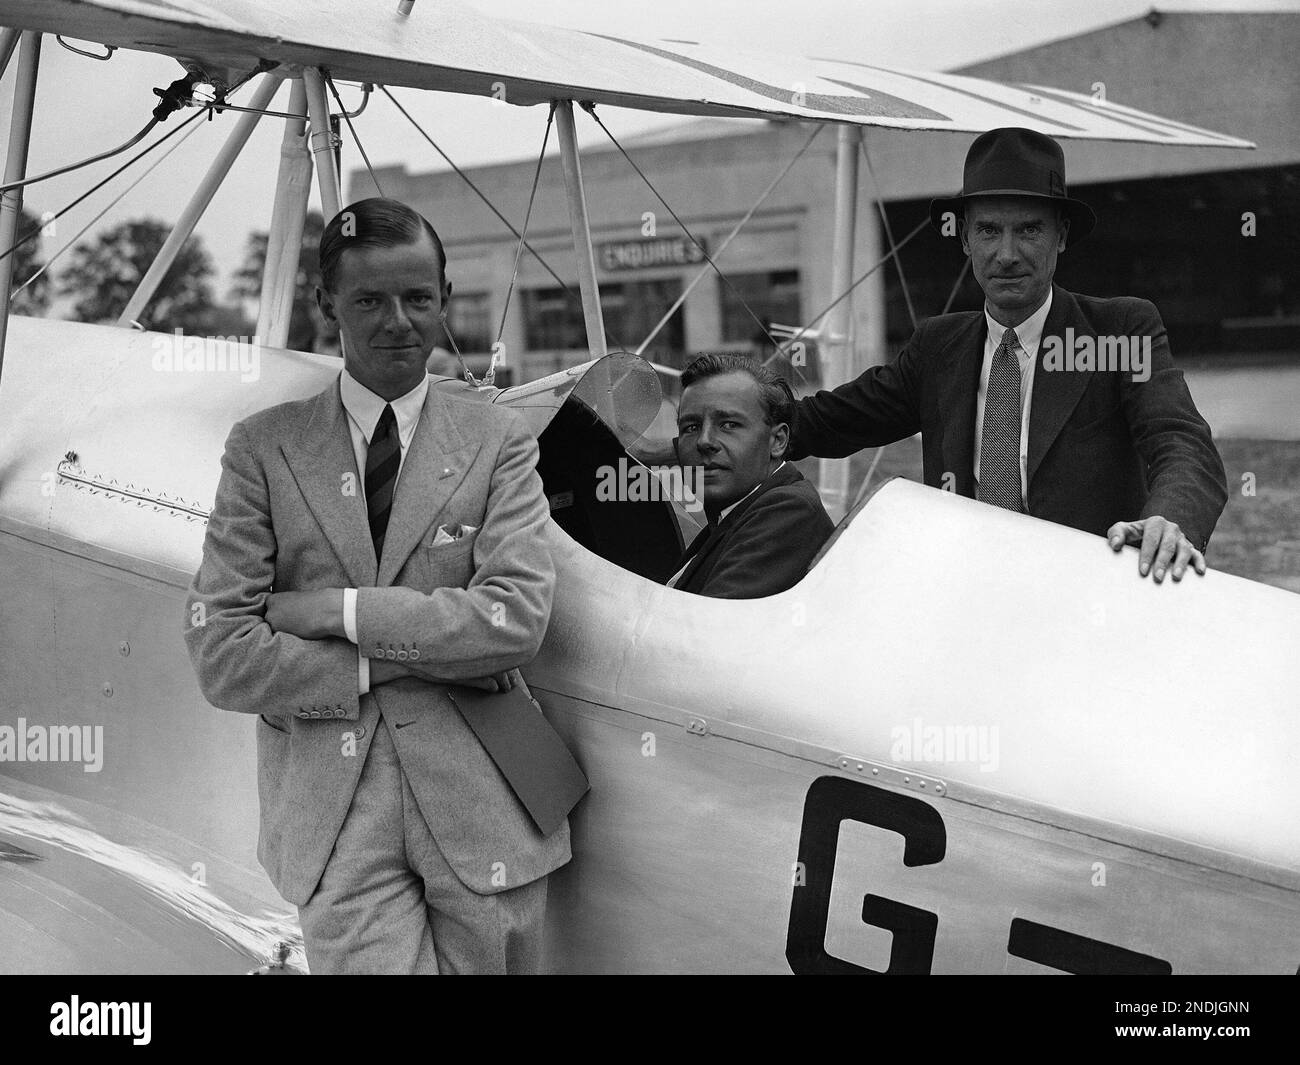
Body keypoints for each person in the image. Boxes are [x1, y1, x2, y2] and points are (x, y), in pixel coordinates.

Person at [183, 198, 569, 974]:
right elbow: (223, 655)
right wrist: (386, 659)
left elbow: (516, 621)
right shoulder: (264, 449)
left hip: (491, 800)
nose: (399, 321)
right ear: (327, 305)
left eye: (418, 298)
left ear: (445, 299)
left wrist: (337, 612)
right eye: (369, 300)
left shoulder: (501, 441)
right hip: (333, 814)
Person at [787, 127, 1227, 584]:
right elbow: (827, 421)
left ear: (1061, 235)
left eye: (1029, 229)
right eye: (988, 230)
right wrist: (732, 411)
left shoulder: (1116, 331)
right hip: (968, 591)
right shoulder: (938, 346)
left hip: (1086, 600)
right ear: (964, 239)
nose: (1006, 254)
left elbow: (1182, 442)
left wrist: (1169, 519)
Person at [667, 354, 833, 597]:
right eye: (690, 427)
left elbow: (707, 628)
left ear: (778, 441)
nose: (704, 441)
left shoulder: (788, 510)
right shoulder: (732, 514)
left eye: (729, 424)